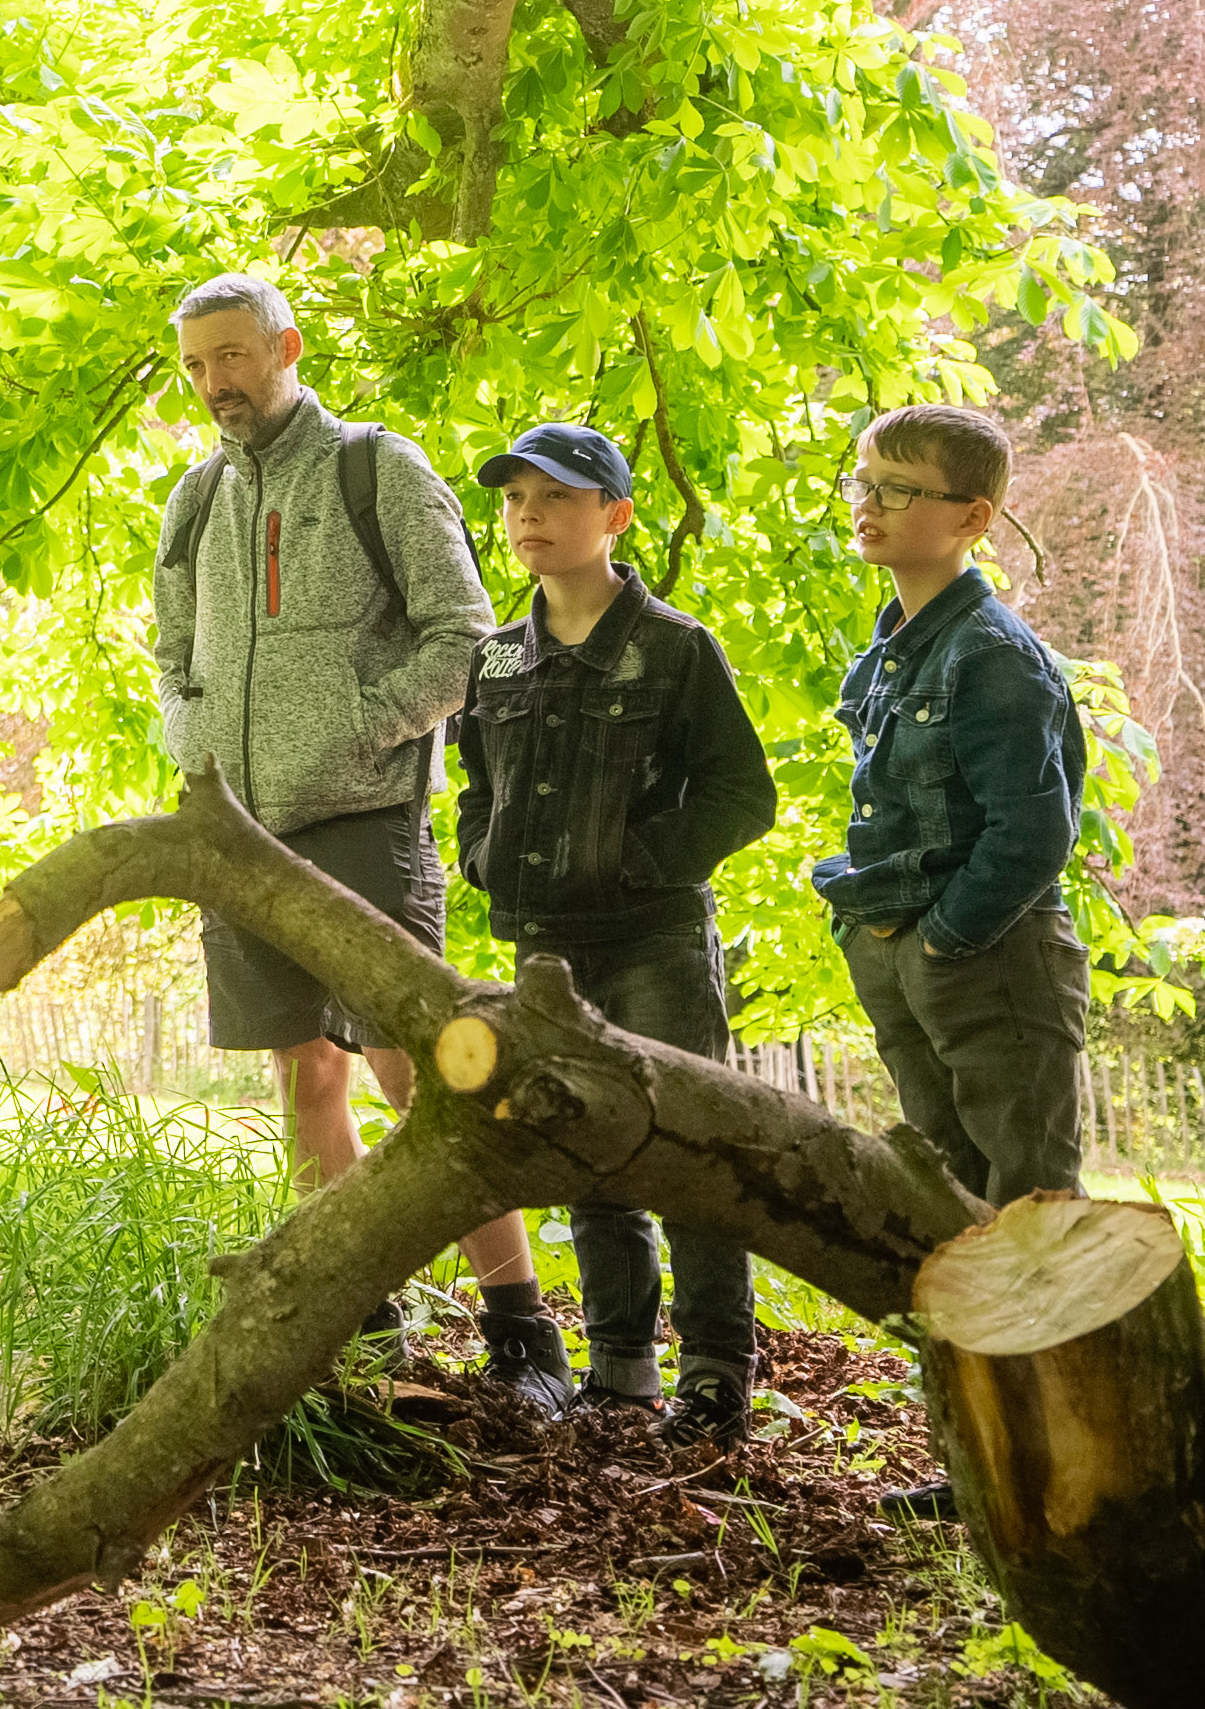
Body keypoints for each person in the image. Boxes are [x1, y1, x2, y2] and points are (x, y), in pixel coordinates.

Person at [149, 272, 556, 1408]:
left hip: (365, 819)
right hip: (239, 834)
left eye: (231, 356)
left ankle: (521, 1330)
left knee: (416, 1073)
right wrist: (198, 758)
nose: (214, 382)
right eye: (195, 364)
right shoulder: (192, 497)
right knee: (302, 1074)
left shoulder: (377, 468)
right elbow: (170, 657)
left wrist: (358, 730)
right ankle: (359, 1325)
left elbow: (467, 638)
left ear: (284, 346)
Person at [450, 420, 774, 1442]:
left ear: (615, 515)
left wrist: (637, 860)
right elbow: (472, 790)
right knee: (584, 1155)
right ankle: (619, 1368)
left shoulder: (676, 650)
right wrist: (480, 856)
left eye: (553, 497)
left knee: (690, 1156)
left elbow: (740, 794)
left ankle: (716, 1373)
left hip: (655, 943)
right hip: (543, 948)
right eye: (513, 500)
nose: (527, 516)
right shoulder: (493, 659)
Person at [814, 402, 1090, 1208]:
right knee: (945, 1197)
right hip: (903, 944)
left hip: (992, 955)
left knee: (1027, 1204)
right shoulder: (890, 650)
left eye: (899, 489)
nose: (868, 504)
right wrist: (878, 937)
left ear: (975, 516)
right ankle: (962, 1342)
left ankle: (1041, 1345)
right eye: (861, 483)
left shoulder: (993, 653)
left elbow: (1034, 832)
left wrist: (942, 941)